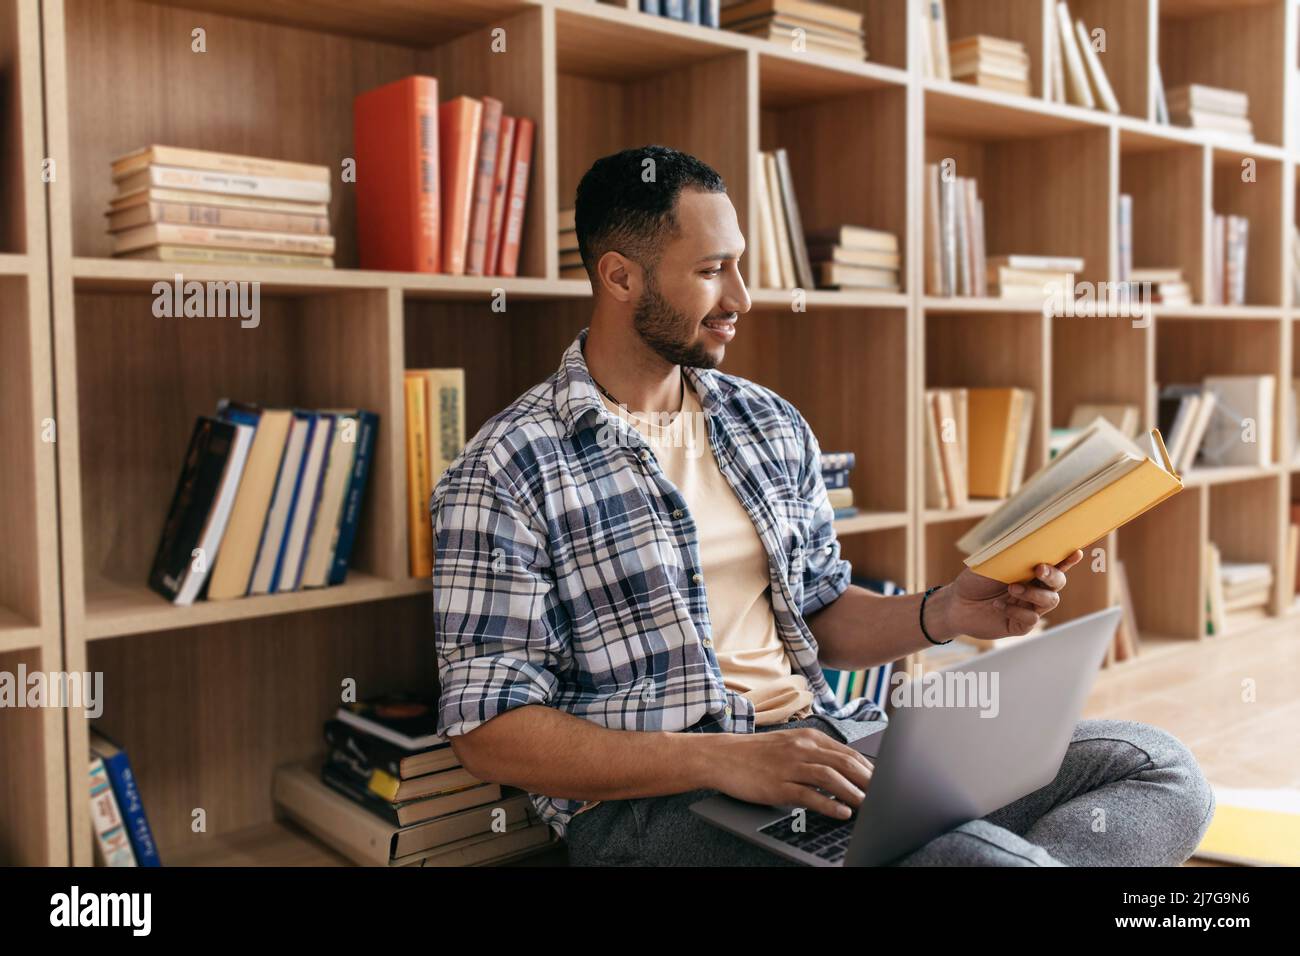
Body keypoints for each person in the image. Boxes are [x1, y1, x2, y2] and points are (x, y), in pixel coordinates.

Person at [429, 145, 1215, 866]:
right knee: (971, 860)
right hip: (654, 810)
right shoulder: (506, 470)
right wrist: (727, 759)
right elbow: (490, 732)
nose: (741, 296)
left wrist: (949, 610)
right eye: (711, 271)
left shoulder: (765, 423)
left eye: (740, 265)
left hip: (823, 751)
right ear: (619, 276)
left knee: (1157, 768)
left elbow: (820, 612)